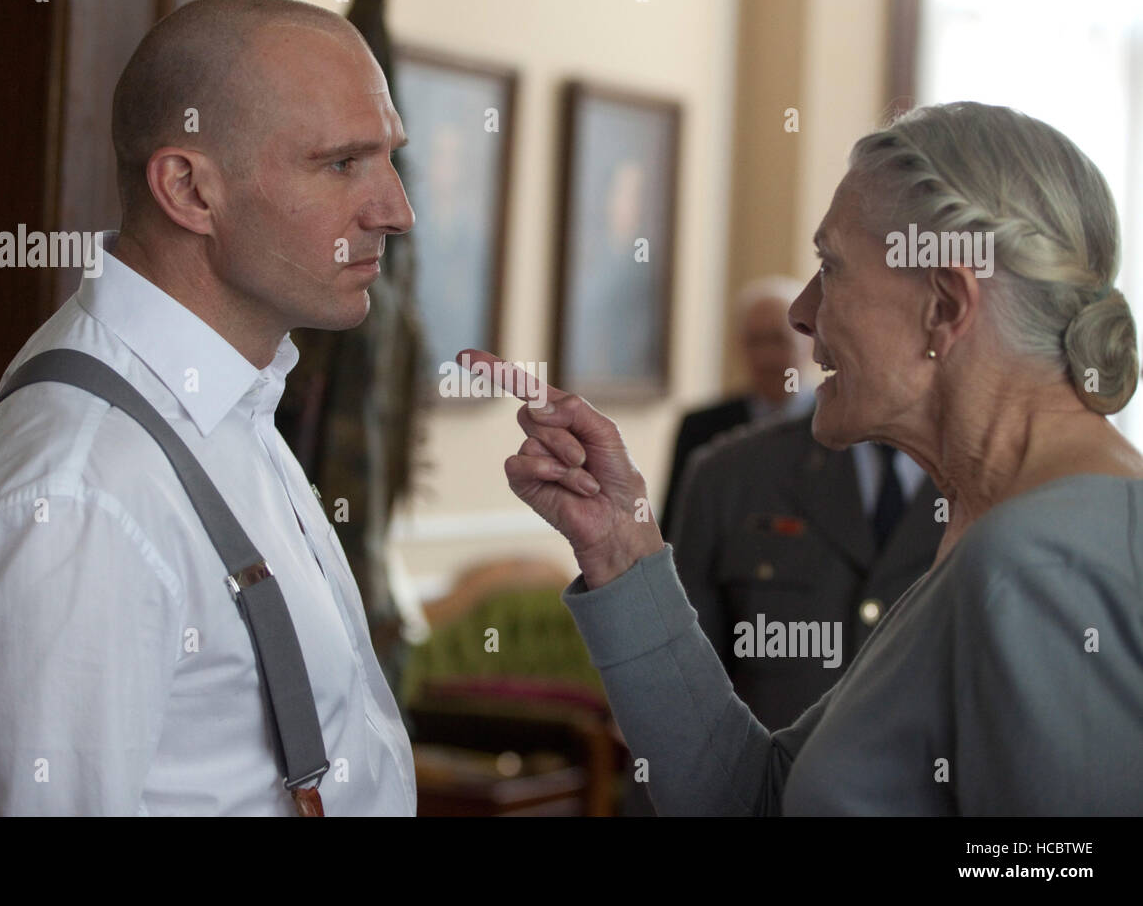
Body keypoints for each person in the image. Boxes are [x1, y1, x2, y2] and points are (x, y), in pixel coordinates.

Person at [466, 101, 1143, 814]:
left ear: (944, 305)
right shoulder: (1014, 537)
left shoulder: (1046, 564)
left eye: (831, 267)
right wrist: (620, 545)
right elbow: (756, 799)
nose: (802, 311)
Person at [0, 0, 417, 815]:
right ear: (189, 189)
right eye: (342, 164)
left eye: (389, 158)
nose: (396, 211)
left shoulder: (233, 402)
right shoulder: (82, 488)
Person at [668, 412, 940, 731]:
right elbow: (680, 699)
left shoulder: (1000, 486)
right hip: (775, 777)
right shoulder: (732, 474)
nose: (821, 358)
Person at [661, 276, 813, 527]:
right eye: (755, 342)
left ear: (809, 343)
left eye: (778, 340)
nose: (766, 357)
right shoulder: (701, 428)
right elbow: (676, 524)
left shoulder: (838, 426)